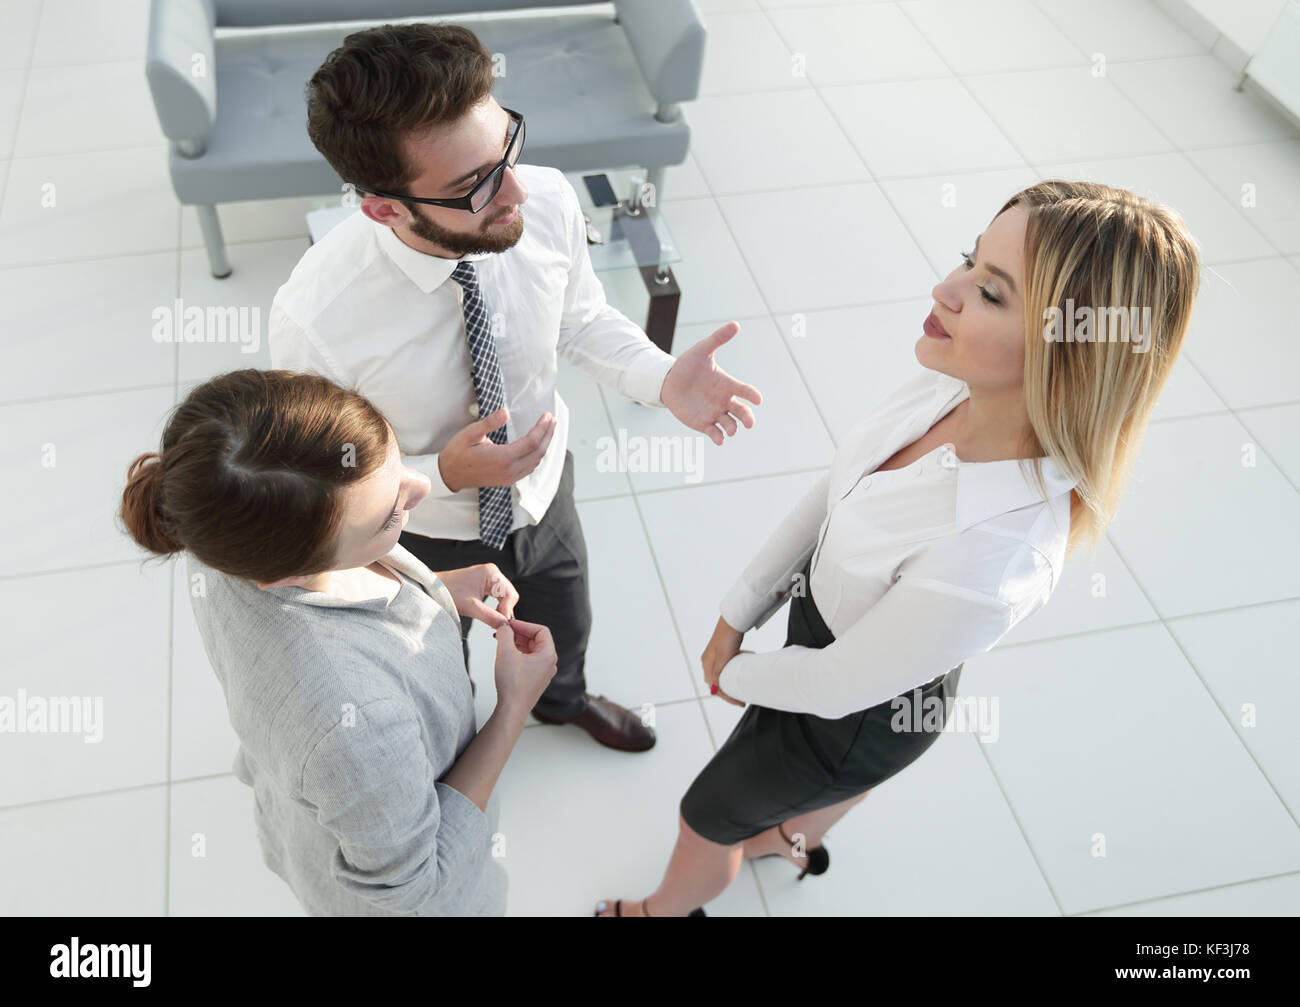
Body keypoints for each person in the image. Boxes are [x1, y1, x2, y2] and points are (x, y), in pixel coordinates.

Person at [594, 180, 1202, 915]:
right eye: (969, 262)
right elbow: (836, 490)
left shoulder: (995, 555)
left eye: (992, 294)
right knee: (773, 798)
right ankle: (781, 834)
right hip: (847, 656)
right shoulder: (948, 384)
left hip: (857, 713)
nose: (944, 289)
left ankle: (662, 910)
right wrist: (738, 613)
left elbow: (838, 688)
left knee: (706, 817)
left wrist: (734, 674)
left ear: (1070, 352)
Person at [268, 22, 762, 753]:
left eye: (508, 149)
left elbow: (579, 320)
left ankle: (562, 703)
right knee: (435, 666)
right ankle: (459, 743)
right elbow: (322, 479)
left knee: (565, 614)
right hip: (419, 536)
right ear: (384, 207)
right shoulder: (317, 320)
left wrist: (661, 378)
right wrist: (442, 474)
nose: (518, 192)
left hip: (543, 490)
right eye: (474, 186)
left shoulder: (548, 202)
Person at [118, 368, 559, 916]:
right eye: (389, 517)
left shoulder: (222, 528)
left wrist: (431, 587)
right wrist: (513, 707)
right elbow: (417, 887)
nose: (423, 487)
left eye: (395, 463)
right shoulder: (354, 726)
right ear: (283, 570)